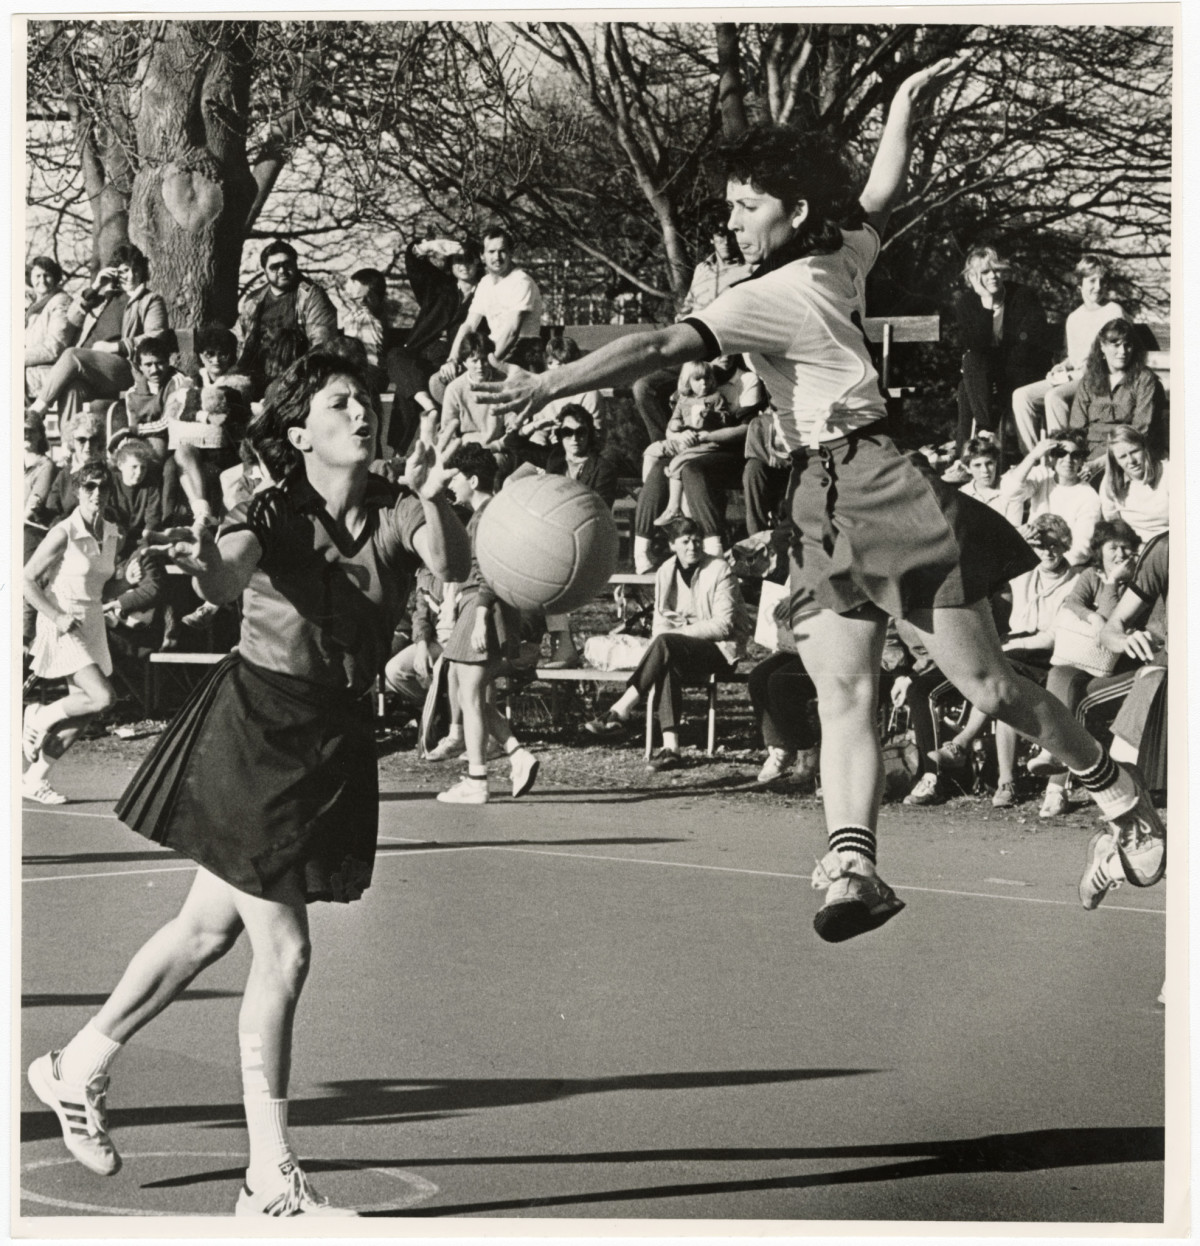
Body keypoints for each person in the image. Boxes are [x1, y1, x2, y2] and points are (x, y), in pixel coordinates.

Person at [475, 53, 1165, 941]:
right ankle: (854, 866)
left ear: (794, 211)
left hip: (876, 484)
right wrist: (904, 107)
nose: (732, 220)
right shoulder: (839, 252)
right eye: (730, 205)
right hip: (816, 498)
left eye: (746, 205)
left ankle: (1121, 796)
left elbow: (657, 345)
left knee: (990, 687)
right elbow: (878, 195)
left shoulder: (783, 291)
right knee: (842, 695)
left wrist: (546, 383)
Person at [25, 351, 470, 1216]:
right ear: (300, 434)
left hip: (330, 737)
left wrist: (440, 497)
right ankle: (269, 1182)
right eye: (338, 403)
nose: (360, 411)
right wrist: (204, 560)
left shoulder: (400, 504)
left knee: (204, 931)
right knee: (286, 951)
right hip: (257, 729)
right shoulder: (270, 509)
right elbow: (229, 572)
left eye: (364, 399)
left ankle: (76, 1065)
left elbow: (447, 562)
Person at [584, 517, 750, 770]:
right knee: (666, 663)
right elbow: (661, 624)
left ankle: (622, 708)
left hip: (719, 651)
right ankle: (671, 748)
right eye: (686, 541)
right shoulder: (665, 571)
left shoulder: (719, 569)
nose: (692, 546)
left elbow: (723, 626)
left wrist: (678, 635)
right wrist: (672, 638)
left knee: (666, 644)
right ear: (673, 545)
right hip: (676, 650)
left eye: (697, 541)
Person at [434, 443, 540, 806]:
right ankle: (516, 755)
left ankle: (478, 780)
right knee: (470, 692)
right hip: (484, 607)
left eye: (456, 478)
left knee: (470, 694)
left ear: (474, 480)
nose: (452, 485)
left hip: (482, 608)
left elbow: (488, 573)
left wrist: (480, 617)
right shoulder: (489, 513)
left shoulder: (485, 517)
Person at [22, 460, 121, 805]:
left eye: (103, 486)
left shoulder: (112, 533)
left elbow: (102, 584)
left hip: (92, 623)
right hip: (61, 623)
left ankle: (34, 779)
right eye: (89, 486)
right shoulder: (63, 531)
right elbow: (26, 579)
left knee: (88, 710)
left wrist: (124, 589)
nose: (97, 493)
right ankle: (40, 715)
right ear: (78, 491)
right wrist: (56, 616)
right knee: (103, 697)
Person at [1027, 519, 1139, 818]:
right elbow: (1074, 603)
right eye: (1113, 547)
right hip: (1086, 659)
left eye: (1125, 547)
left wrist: (1113, 583)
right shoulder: (1090, 575)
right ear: (1099, 550)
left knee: (1075, 699)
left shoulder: (1136, 583)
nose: (1120, 553)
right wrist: (1093, 618)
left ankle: (1056, 786)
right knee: (1058, 675)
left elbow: (1116, 620)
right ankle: (1052, 760)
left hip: (1121, 669)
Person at [1081, 532, 1169, 907]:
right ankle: (1115, 857)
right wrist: (1125, 639)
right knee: (1153, 844)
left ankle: (1111, 863)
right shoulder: (1168, 550)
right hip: (1164, 684)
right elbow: (1110, 630)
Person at [633, 223, 751, 439]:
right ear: (712, 238)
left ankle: (694, 445)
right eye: (720, 236)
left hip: (721, 353)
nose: (726, 241)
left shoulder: (749, 270)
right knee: (643, 387)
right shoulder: (702, 269)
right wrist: (680, 320)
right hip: (689, 350)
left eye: (730, 235)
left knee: (697, 393)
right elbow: (688, 306)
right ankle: (665, 445)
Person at [28, 244, 169, 425]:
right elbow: (72, 318)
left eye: (136, 270)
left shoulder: (150, 300)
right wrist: (95, 287)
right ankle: (70, 442)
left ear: (143, 271)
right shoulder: (104, 298)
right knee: (72, 389)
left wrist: (115, 346)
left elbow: (156, 336)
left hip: (122, 366)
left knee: (71, 354)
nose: (131, 275)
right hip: (88, 368)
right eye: (125, 270)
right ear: (115, 273)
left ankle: (36, 412)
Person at [1010, 254, 1125, 453]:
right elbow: (1074, 357)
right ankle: (1034, 459)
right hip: (1076, 377)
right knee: (1021, 396)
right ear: (1079, 284)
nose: (1098, 287)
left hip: (1101, 378)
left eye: (1102, 281)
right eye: (1092, 281)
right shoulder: (1074, 318)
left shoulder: (1113, 311)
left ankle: (1063, 458)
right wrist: (1062, 365)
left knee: (1054, 396)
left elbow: (1120, 351)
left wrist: (1090, 367)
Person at [385, 236, 482, 454]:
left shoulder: (486, 291)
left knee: (407, 386)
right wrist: (429, 246)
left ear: (478, 261)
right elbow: (414, 261)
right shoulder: (439, 286)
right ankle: (429, 407)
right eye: (457, 260)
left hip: (451, 358)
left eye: (468, 259)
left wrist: (458, 360)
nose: (463, 265)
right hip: (421, 351)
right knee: (396, 355)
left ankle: (399, 452)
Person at [952, 244, 1049, 460]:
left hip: (1023, 370)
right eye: (985, 272)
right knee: (969, 370)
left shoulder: (1022, 296)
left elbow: (1028, 346)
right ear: (973, 277)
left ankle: (969, 452)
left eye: (996, 270)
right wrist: (987, 304)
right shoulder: (967, 303)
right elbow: (975, 347)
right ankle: (983, 434)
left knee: (967, 387)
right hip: (989, 372)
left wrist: (995, 369)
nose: (993, 276)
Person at [539, 405, 618, 667]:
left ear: (589, 434)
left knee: (547, 575)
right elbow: (512, 444)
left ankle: (560, 646)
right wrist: (535, 427)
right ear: (559, 435)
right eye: (567, 432)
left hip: (588, 540)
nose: (574, 438)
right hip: (554, 540)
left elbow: (598, 509)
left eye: (580, 432)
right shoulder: (555, 461)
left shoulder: (602, 468)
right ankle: (552, 645)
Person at [439, 224, 543, 385]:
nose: (497, 257)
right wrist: (453, 359)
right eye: (491, 252)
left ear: (511, 252)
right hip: (491, 350)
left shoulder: (521, 281)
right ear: (482, 256)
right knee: (439, 381)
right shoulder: (485, 283)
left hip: (522, 351)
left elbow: (512, 332)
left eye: (502, 251)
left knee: (465, 385)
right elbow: (468, 325)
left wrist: (489, 365)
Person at [237, 240, 338, 397]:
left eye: (287, 264)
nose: (282, 271)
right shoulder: (253, 300)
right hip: (253, 377)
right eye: (275, 267)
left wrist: (301, 381)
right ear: (264, 270)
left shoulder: (311, 296)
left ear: (295, 264)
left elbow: (322, 345)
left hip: (293, 379)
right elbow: (241, 342)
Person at [1068, 316, 1168, 467]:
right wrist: (1078, 459)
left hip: (1126, 455)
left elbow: (1141, 431)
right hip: (1089, 455)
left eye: (1127, 345)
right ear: (1102, 346)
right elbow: (1077, 428)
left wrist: (1101, 462)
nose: (1122, 351)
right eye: (1115, 345)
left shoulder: (1144, 380)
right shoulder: (1089, 381)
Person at [645, 360, 732, 526]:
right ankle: (649, 493)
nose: (704, 383)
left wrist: (709, 416)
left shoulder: (716, 398)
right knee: (652, 450)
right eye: (698, 379)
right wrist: (675, 425)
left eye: (707, 378)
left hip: (704, 443)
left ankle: (673, 508)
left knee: (677, 462)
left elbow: (725, 420)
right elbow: (674, 421)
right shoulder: (683, 399)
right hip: (684, 440)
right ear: (688, 381)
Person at [998, 432, 1101, 566]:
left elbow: (1081, 550)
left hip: (1062, 564)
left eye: (1075, 455)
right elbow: (1010, 492)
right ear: (1051, 457)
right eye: (1061, 453)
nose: (1068, 460)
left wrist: (1049, 566)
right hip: (1032, 555)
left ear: (1081, 461)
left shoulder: (1089, 496)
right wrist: (1033, 456)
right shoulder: (1042, 475)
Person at [1098, 426, 1169, 543]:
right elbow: (1114, 524)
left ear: (1145, 448)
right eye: (1122, 456)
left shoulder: (1168, 473)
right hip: (1134, 546)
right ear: (1115, 460)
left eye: (1135, 451)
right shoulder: (1110, 482)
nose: (1131, 461)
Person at [25, 256, 74, 413]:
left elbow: (54, 348)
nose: (42, 281)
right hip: (29, 373)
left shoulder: (61, 302)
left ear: (56, 278)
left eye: (47, 275)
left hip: (46, 376)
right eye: (37, 276)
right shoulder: (33, 308)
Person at [742, 407, 792, 534]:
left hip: (802, 464)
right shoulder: (760, 421)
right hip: (771, 466)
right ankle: (758, 534)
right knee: (753, 469)